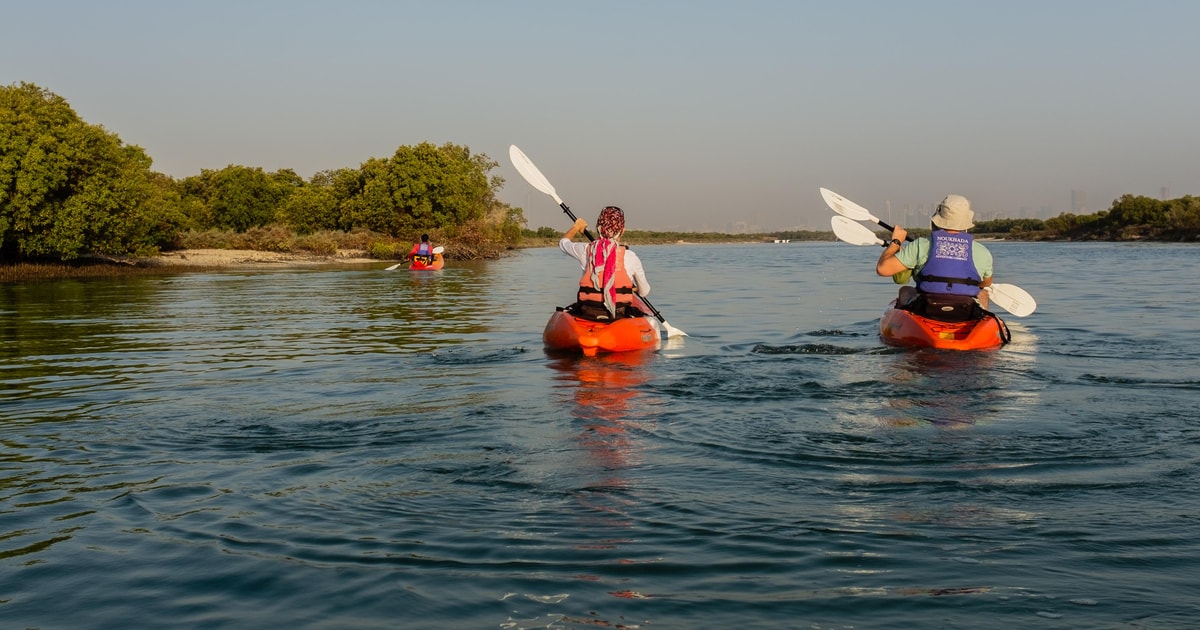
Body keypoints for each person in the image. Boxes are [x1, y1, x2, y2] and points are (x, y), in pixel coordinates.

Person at [875, 194, 994, 317]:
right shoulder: (982, 252)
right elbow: (986, 283)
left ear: (937, 219)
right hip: (965, 309)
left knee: (906, 290)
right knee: (983, 294)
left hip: (927, 306)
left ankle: (908, 324)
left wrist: (896, 241)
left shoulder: (921, 245)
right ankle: (982, 322)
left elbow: (882, 269)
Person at [559, 206, 651, 321]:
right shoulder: (631, 257)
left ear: (598, 229)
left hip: (589, 310)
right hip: (618, 313)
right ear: (622, 231)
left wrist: (576, 227)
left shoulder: (584, 250)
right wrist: (633, 289)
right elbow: (644, 292)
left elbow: (563, 243)